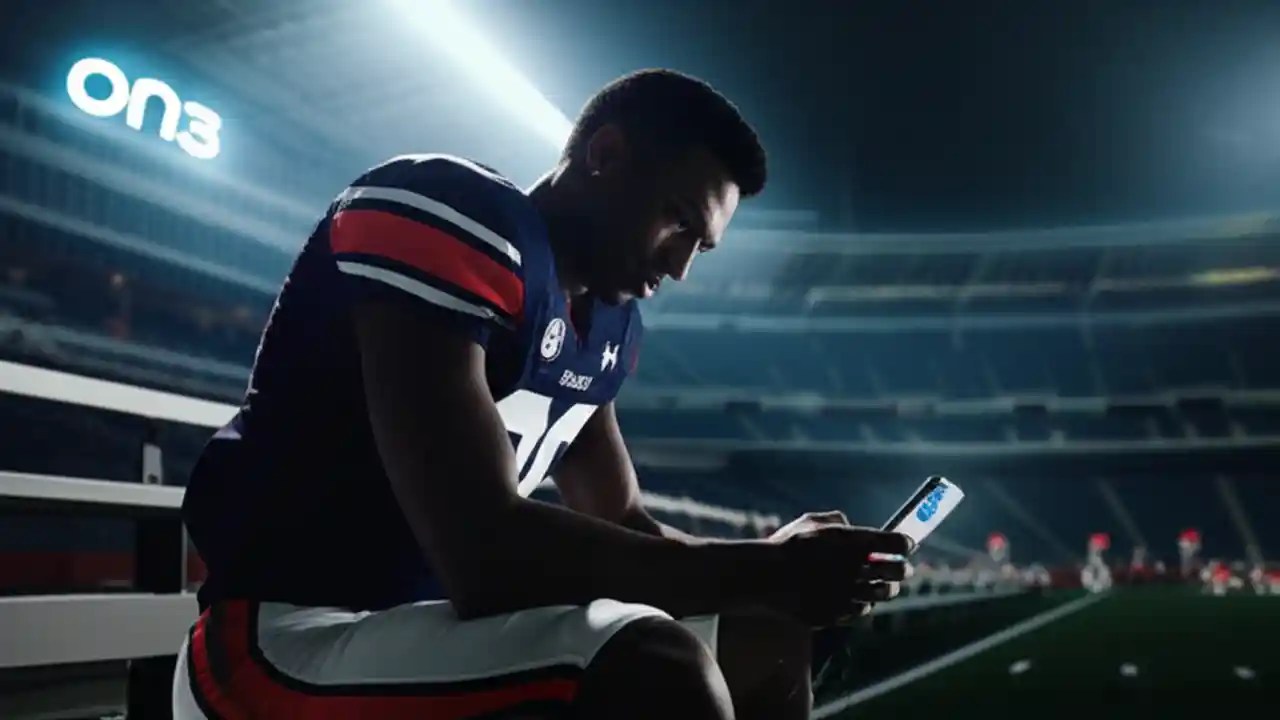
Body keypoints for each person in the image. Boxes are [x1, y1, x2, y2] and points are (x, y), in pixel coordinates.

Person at [175, 69, 911, 720]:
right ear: (605, 155)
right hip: (281, 642)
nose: (683, 265)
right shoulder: (444, 208)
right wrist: (762, 572)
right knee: (653, 666)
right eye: (679, 220)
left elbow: (621, 519)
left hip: (425, 635)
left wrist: (777, 568)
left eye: (701, 243)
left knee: (766, 631)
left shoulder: (605, 325)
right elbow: (483, 557)